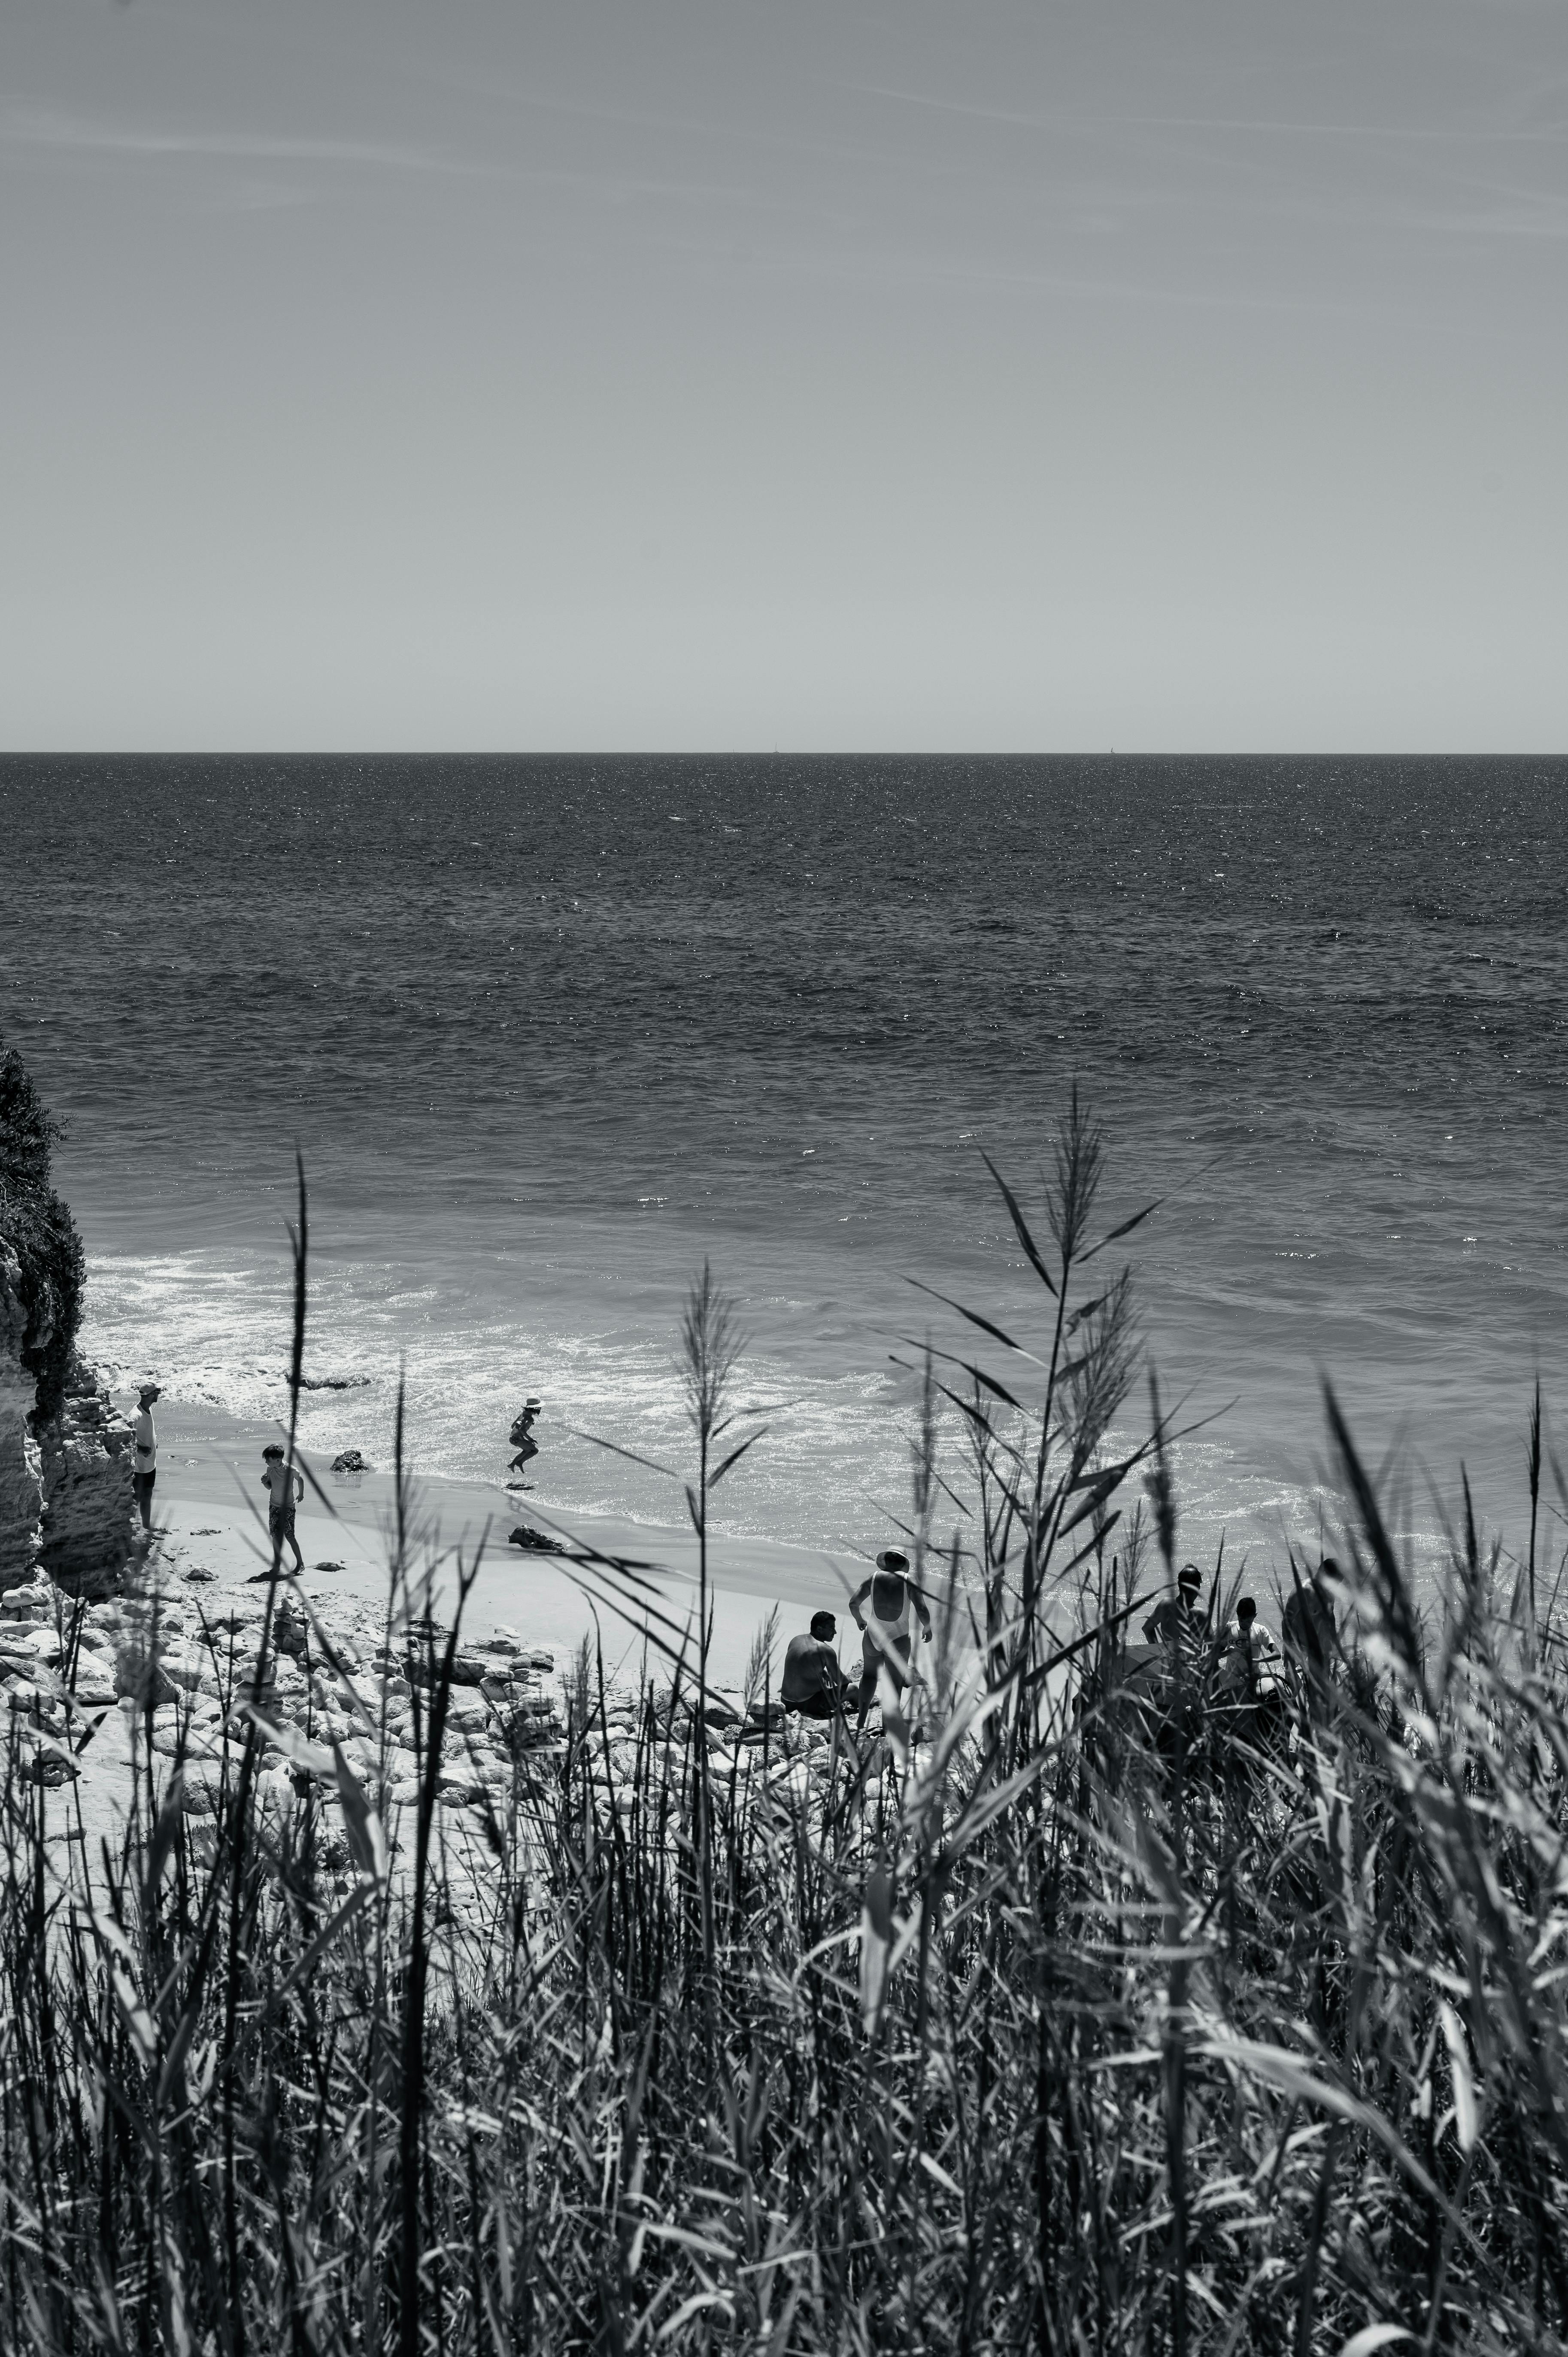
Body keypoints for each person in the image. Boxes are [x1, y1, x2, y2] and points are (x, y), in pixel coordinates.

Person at [850, 1549, 933, 1729]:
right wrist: (927, 1627)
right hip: (898, 1639)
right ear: (903, 1562)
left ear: (885, 1561)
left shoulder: (873, 1578)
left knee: (869, 1676)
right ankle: (887, 1727)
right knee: (894, 1683)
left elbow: (853, 1603)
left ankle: (861, 1721)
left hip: (873, 1635)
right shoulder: (908, 1580)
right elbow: (922, 1609)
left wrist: (859, 1620)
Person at [780, 1611, 848, 1721]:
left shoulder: (796, 1640)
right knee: (852, 1689)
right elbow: (841, 1681)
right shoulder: (826, 1650)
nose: (835, 1632)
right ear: (820, 1629)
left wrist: (822, 1672)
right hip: (808, 1705)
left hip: (786, 1702)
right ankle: (865, 1705)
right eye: (831, 1628)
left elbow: (801, 1665)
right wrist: (852, 1683)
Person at [1283, 1564, 1337, 1678]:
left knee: (1320, 1685)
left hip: (1318, 1648)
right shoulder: (1303, 1591)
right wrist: (1289, 1649)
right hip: (1297, 1646)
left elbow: (1331, 1618)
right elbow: (1286, 1621)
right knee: (1294, 1685)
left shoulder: (1330, 1594)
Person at [260, 1443, 306, 1573]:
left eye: (268, 1460)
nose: (266, 1462)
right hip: (274, 1507)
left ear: (278, 1460)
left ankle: (301, 1564)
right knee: (275, 1536)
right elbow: (270, 1487)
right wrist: (265, 1482)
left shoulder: (291, 1469)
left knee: (290, 1536)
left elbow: (300, 1479)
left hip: (288, 1508)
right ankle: (277, 1564)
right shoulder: (270, 1469)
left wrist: (301, 1494)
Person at [1143, 1564, 1204, 1653]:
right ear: (1198, 1587)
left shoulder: (1165, 1604)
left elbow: (1147, 1629)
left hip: (1170, 1662)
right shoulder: (1200, 1614)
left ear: (1179, 1585)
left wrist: (1159, 1652)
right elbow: (1212, 1650)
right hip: (1190, 1664)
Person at [131, 1384, 159, 1530]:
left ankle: (147, 1528)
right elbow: (126, 1436)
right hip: (139, 1467)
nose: (159, 1394)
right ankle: (129, 1526)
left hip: (150, 1465)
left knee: (148, 1495)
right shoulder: (136, 1415)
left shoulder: (149, 1410)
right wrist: (139, 1449)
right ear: (151, 1395)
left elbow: (146, 1431)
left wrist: (154, 1442)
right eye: (157, 1392)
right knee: (137, 1497)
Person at [509, 1398, 541, 1476]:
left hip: (512, 1437)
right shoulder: (530, 1419)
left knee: (527, 1450)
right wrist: (530, 1439)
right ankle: (518, 1463)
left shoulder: (523, 1414)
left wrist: (521, 1424)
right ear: (536, 1409)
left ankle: (514, 1464)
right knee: (535, 1451)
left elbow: (513, 1426)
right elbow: (522, 1430)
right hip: (518, 1439)